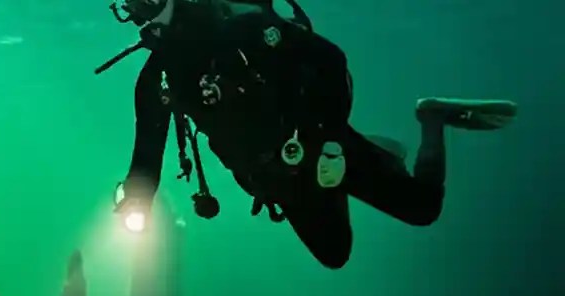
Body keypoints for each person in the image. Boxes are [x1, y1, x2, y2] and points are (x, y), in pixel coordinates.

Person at [103, 0, 518, 269]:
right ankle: (376, 157)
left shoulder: (245, 30)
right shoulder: (154, 81)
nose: (145, 14)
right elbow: (146, 156)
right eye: (134, 5)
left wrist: (333, 142)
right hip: (276, 179)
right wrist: (135, 202)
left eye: (150, 1)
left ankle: (432, 118)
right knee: (335, 254)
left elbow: (331, 61)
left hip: (323, 146)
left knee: (423, 209)